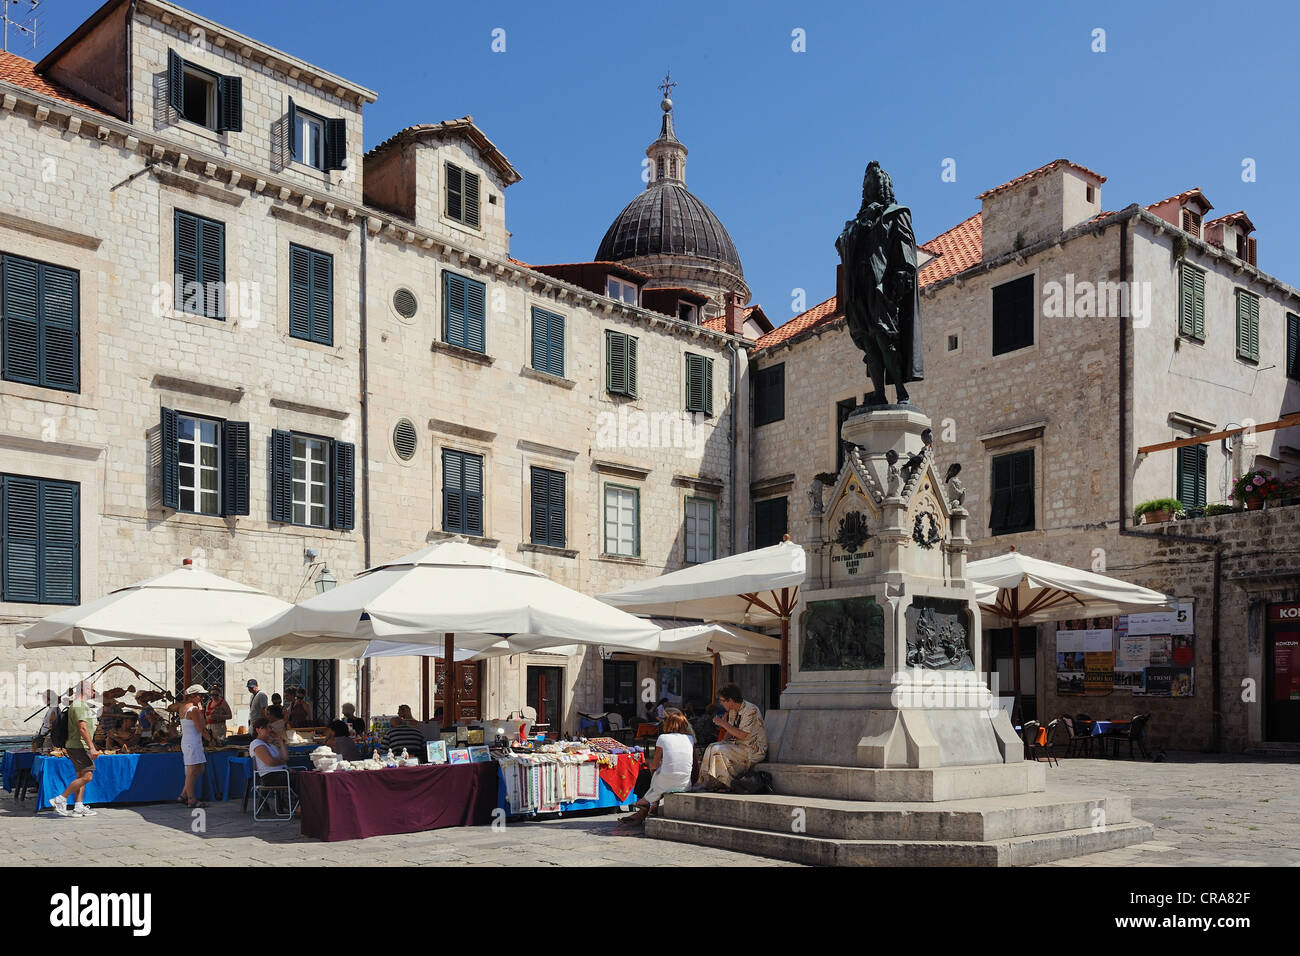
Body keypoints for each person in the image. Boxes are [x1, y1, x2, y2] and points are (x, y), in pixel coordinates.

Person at [620, 711, 693, 827]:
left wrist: (650, 767)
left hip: (665, 782)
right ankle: (648, 807)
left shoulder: (663, 738)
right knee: (657, 774)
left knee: (646, 774)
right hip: (685, 783)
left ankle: (645, 806)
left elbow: (654, 764)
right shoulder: (690, 739)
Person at [694, 683, 767, 792]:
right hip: (739, 746)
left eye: (722, 700)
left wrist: (723, 724)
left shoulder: (751, 710)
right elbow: (731, 730)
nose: (721, 703)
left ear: (731, 700)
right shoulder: (733, 711)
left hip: (753, 749)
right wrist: (723, 741)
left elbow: (742, 734)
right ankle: (705, 781)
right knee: (711, 747)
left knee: (717, 750)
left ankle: (726, 783)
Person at [50, 681, 99, 817]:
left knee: (81, 776)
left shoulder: (80, 705)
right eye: (93, 690)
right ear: (86, 690)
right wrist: (92, 747)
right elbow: (82, 727)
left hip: (78, 745)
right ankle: (60, 799)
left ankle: (78, 806)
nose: (94, 693)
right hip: (78, 746)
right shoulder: (79, 706)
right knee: (88, 776)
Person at [177, 684, 208, 808]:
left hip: (190, 741)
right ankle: (191, 799)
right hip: (193, 742)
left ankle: (184, 794)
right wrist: (201, 713)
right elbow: (200, 727)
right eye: (200, 695)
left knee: (200, 768)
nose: (202, 698)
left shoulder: (183, 707)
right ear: (193, 696)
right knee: (192, 771)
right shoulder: (193, 709)